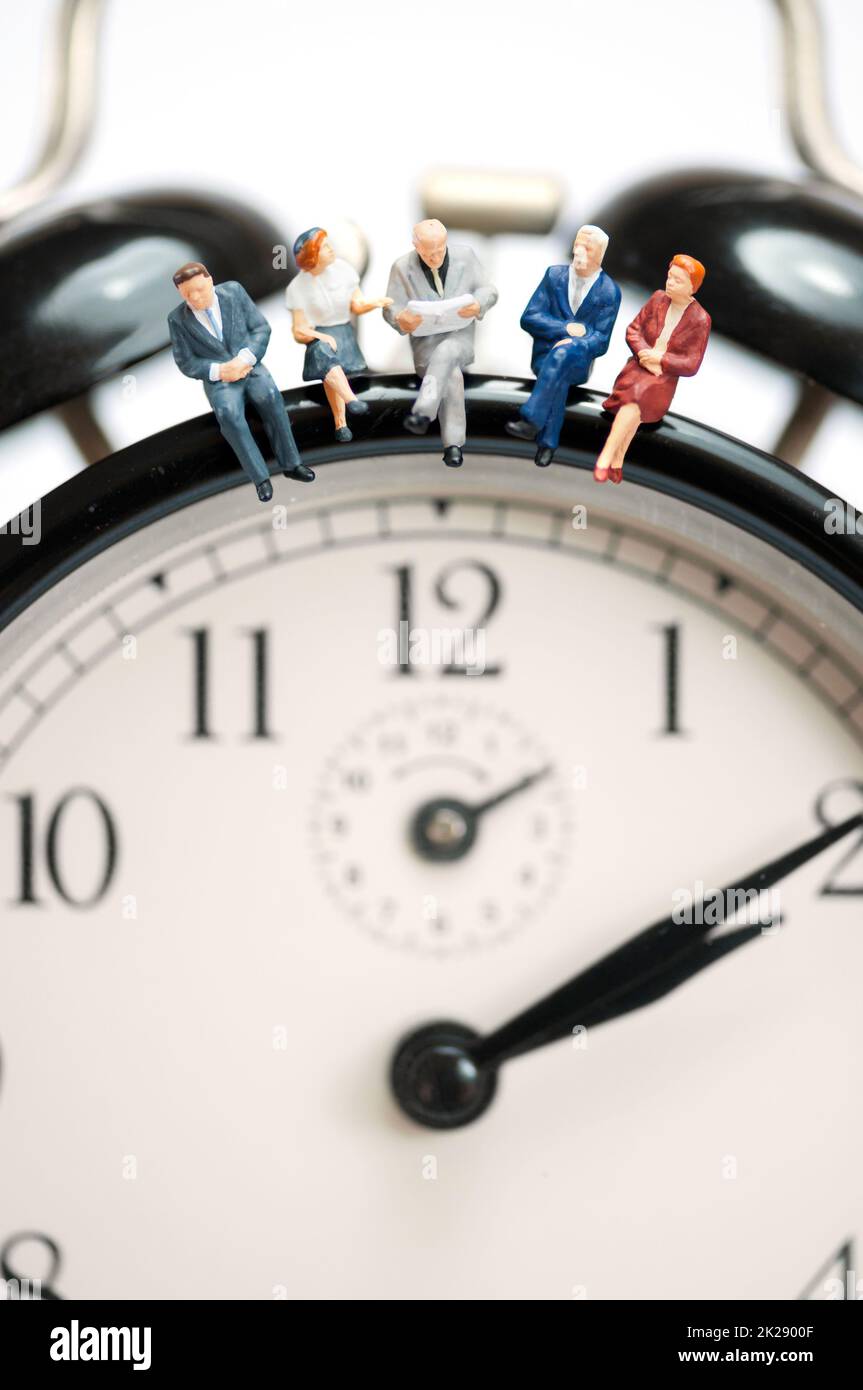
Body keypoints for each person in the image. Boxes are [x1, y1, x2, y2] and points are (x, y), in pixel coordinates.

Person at [168, 262, 314, 502]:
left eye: (199, 290)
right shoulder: (177, 320)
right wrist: (218, 370)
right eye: (187, 294)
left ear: (210, 280)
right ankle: (260, 479)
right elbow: (186, 362)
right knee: (228, 413)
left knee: (269, 396)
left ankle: (292, 464)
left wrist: (245, 358)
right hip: (220, 380)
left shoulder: (234, 292)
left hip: (250, 366)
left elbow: (260, 328)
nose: (195, 297)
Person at [383, 219, 498, 468]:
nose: (435, 257)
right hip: (425, 343)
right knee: (453, 377)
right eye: (428, 252)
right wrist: (401, 318)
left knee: (447, 350)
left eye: (440, 250)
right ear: (416, 246)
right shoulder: (402, 267)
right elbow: (391, 307)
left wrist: (478, 304)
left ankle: (423, 412)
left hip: (460, 337)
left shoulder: (466, 257)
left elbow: (489, 290)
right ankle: (453, 446)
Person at [506, 226, 620, 466]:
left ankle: (533, 419)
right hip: (544, 357)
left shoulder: (609, 291)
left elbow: (600, 341)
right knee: (558, 377)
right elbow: (529, 317)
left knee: (563, 354)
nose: (578, 252)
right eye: (577, 244)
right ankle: (547, 444)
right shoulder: (554, 276)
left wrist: (576, 342)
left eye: (586, 249)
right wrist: (565, 331)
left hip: (578, 363)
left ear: (599, 255)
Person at [595, 254, 711, 483]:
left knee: (635, 401)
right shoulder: (658, 299)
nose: (670, 283)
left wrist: (661, 360)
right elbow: (633, 330)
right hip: (638, 367)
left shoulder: (700, 319)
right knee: (634, 405)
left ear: (692, 287)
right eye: (670, 277)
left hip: (662, 379)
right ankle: (617, 462)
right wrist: (642, 354)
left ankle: (604, 458)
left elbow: (691, 363)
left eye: (678, 281)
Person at [286, 229, 392, 442]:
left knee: (331, 377)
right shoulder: (297, 287)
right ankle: (351, 401)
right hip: (319, 336)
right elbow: (298, 331)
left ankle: (341, 425)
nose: (331, 249)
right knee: (324, 357)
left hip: (344, 333)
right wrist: (319, 336)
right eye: (325, 246)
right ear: (312, 255)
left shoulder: (345, 271)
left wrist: (376, 302)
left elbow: (357, 305)